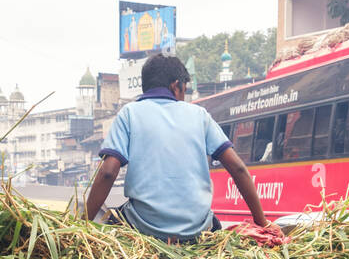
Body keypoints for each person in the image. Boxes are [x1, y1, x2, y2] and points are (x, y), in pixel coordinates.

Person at [84, 54, 272, 241]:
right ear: (176, 86)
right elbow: (237, 168)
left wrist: (82, 225)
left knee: (110, 223)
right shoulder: (200, 115)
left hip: (143, 227)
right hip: (198, 230)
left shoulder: (129, 114)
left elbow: (108, 172)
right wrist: (262, 222)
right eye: (184, 90)